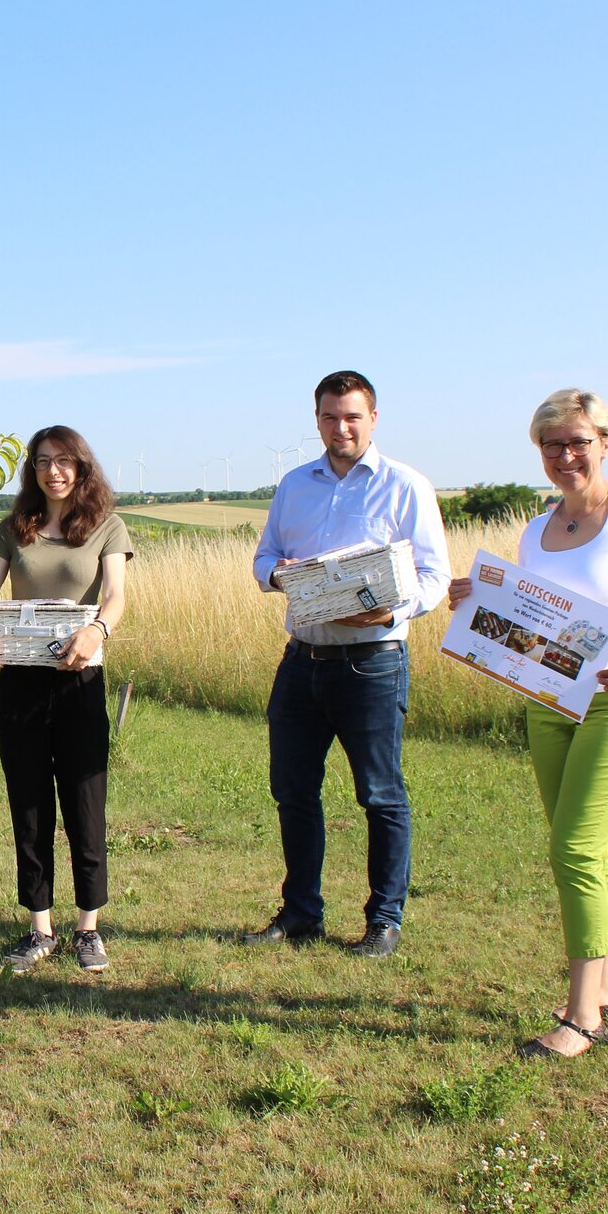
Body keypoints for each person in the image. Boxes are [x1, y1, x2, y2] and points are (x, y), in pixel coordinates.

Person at [448, 389, 608, 1059]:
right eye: (552, 445)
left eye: (578, 442)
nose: (566, 456)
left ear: (605, 443)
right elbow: (527, 623)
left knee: (577, 849)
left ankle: (582, 1016)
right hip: (550, 705)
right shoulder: (536, 531)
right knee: (577, 847)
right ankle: (607, 985)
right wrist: (474, 601)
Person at [249, 371, 450, 957]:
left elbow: (435, 576)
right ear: (316, 420)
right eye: (331, 417)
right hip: (302, 659)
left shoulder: (406, 486)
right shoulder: (294, 486)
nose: (341, 427)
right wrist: (280, 575)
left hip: (373, 663)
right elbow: (264, 557)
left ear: (374, 419)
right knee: (292, 791)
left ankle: (384, 920)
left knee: (380, 795)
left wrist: (391, 611)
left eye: (352, 416)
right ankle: (301, 913)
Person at [0, 425, 133, 974]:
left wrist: (97, 631)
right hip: (21, 684)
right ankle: (39, 928)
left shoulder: (108, 527)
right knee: (29, 805)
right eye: (42, 462)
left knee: (85, 803)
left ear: (82, 466)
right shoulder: (14, 529)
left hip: (79, 679)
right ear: (32, 471)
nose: (53, 471)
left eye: (64, 461)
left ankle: (88, 929)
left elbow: (116, 595)